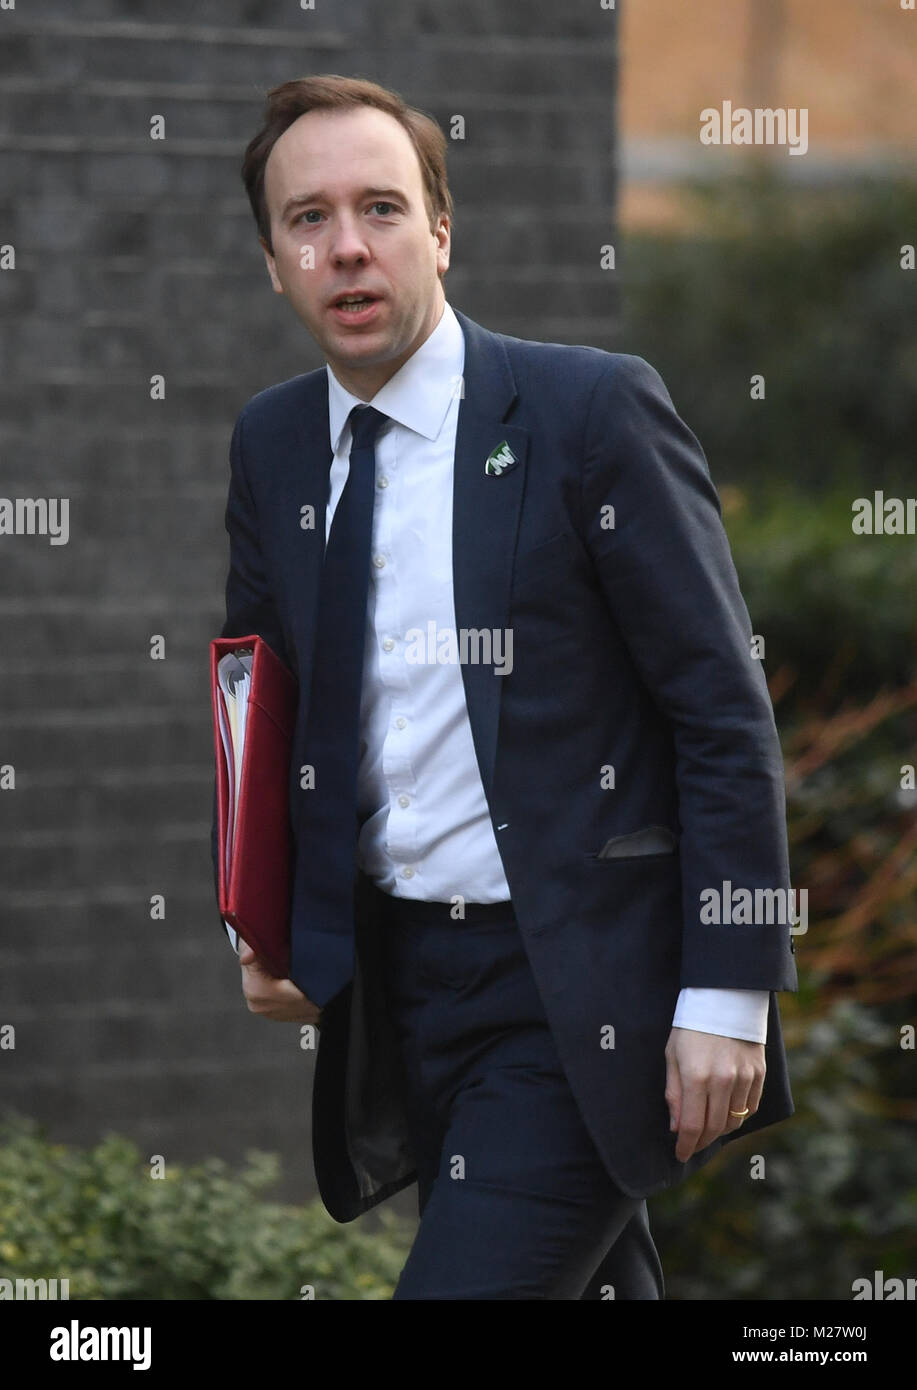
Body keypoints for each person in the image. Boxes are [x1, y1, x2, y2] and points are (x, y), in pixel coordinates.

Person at [211, 74, 798, 1300]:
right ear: (272, 260)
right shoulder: (272, 444)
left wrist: (728, 991)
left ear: (440, 228)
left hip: (579, 991)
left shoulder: (586, 411)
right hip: (405, 991)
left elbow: (718, 707)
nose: (347, 245)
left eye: (380, 206)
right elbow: (258, 702)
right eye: (306, 219)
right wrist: (258, 909)